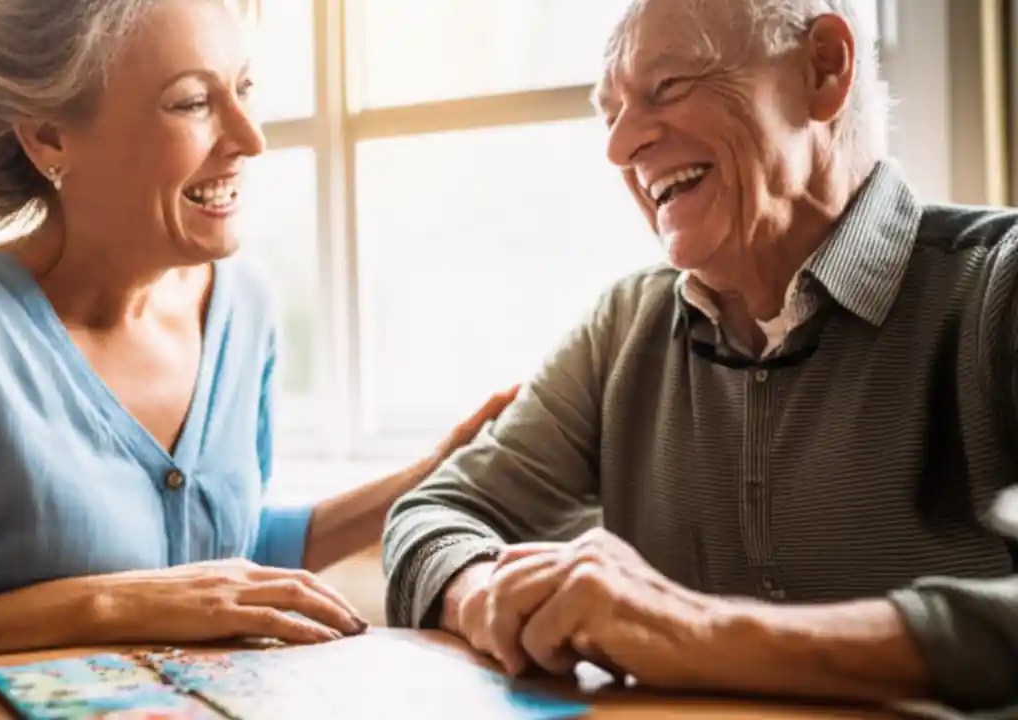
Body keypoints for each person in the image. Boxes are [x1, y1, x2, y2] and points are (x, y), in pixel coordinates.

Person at [0, 0, 514, 694]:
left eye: (243, 90)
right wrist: (111, 602)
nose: (249, 139)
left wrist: (433, 475)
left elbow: (229, 554)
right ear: (50, 135)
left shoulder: (243, 309)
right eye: (191, 102)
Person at [383, 0, 1018, 712]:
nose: (619, 147)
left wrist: (695, 631)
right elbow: (436, 512)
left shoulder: (1001, 287)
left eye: (668, 87)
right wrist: (490, 598)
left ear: (823, 70)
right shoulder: (621, 326)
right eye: (609, 110)